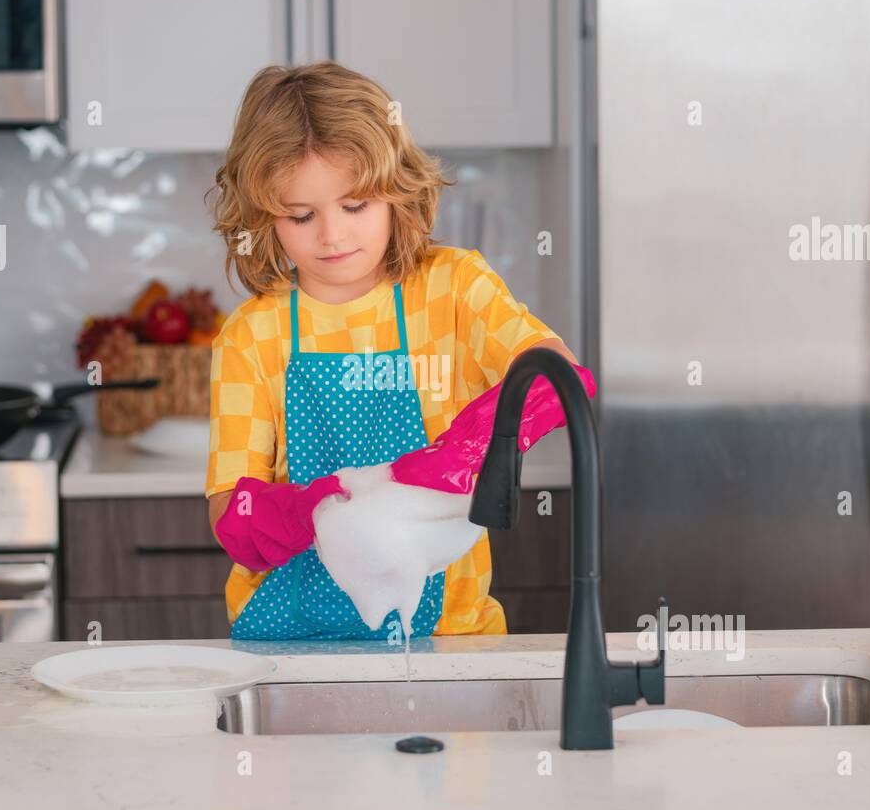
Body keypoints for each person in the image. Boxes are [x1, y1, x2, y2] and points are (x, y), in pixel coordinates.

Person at [204, 61, 593, 640]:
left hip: (452, 635)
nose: (332, 235)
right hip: (295, 642)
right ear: (263, 217)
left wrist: (454, 458)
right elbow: (229, 515)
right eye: (301, 215)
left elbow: (558, 379)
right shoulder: (251, 335)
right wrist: (318, 511)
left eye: (355, 205)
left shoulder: (453, 286)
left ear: (396, 192)